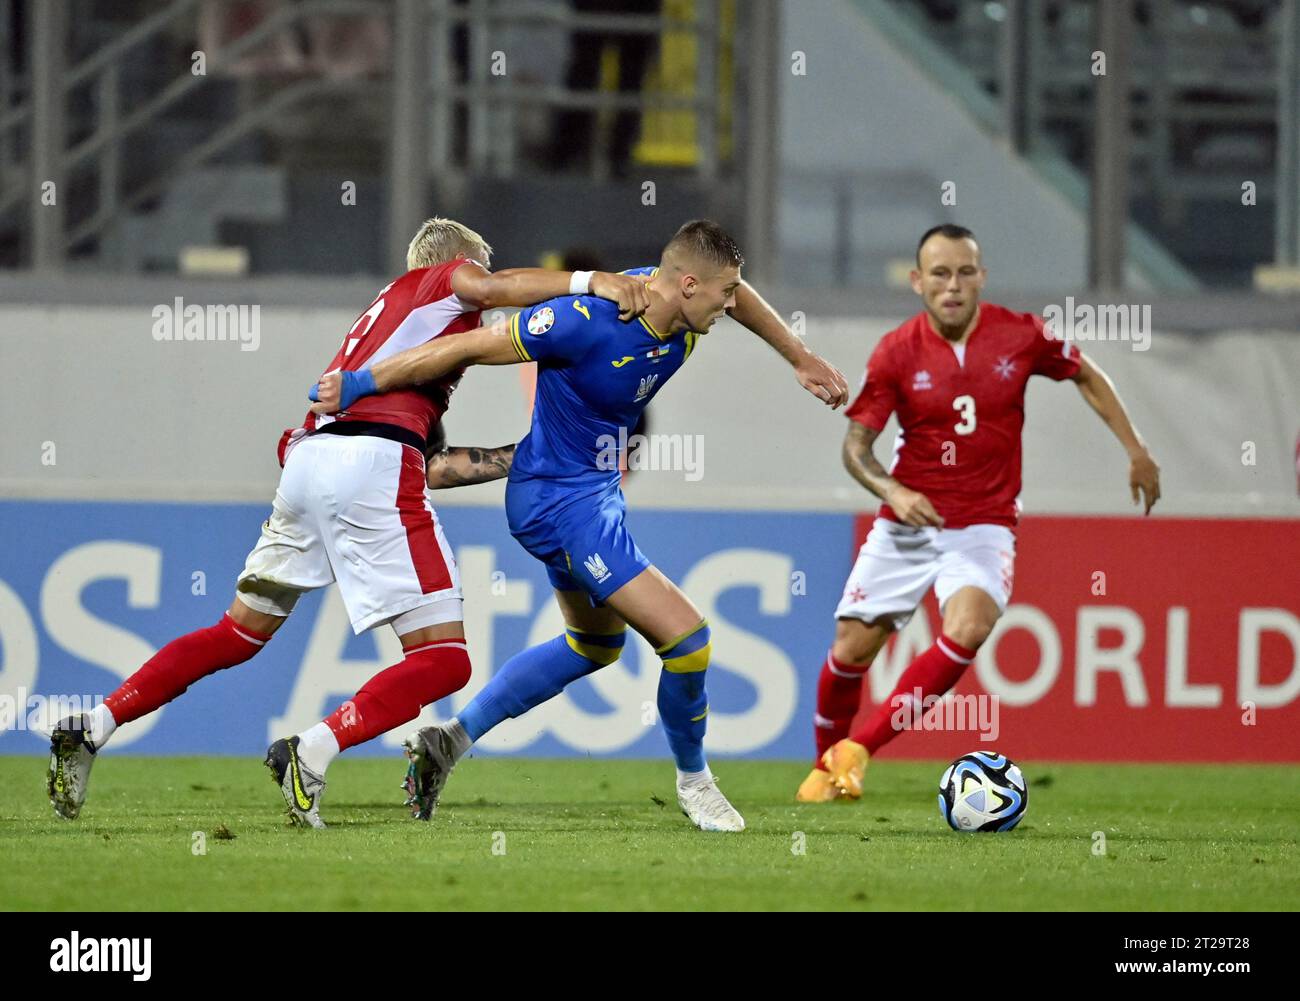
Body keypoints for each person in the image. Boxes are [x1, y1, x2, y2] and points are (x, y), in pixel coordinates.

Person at [46, 218, 650, 828]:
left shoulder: (391, 327)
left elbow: (432, 466)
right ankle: (311, 751)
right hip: (371, 463)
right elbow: (496, 291)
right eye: (478, 271)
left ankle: (93, 724)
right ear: (453, 264)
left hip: (312, 461)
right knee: (446, 661)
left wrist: (520, 458)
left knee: (236, 634)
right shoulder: (439, 281)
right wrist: (592, 281)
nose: (484, 291)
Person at [309, 219, 849, 831]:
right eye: (722, 294)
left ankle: (449, 741)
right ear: (688, 285)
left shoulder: (682, 302)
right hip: (557, 503)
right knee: (688, 641)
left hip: (593, 494)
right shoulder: (586, 320)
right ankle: (697, 785)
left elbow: (741, 294)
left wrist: (800, 357)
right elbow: (468, 347)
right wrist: (359, 383)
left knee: (594, 646)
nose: (730, 306)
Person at [798, 224, 1162, 802]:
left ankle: (859, 749)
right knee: (850, 651)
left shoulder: (1021, 335)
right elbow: (856, 449)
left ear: (982, 277)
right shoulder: (896, 351)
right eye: (940, 273)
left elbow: (1087, 375)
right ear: (917, 281)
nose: (953, 285)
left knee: (968, 628)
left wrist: (1136, 450)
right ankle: (826, 770)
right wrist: (894, 492)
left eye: (965, 272)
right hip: (909, 523)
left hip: (984, 524)